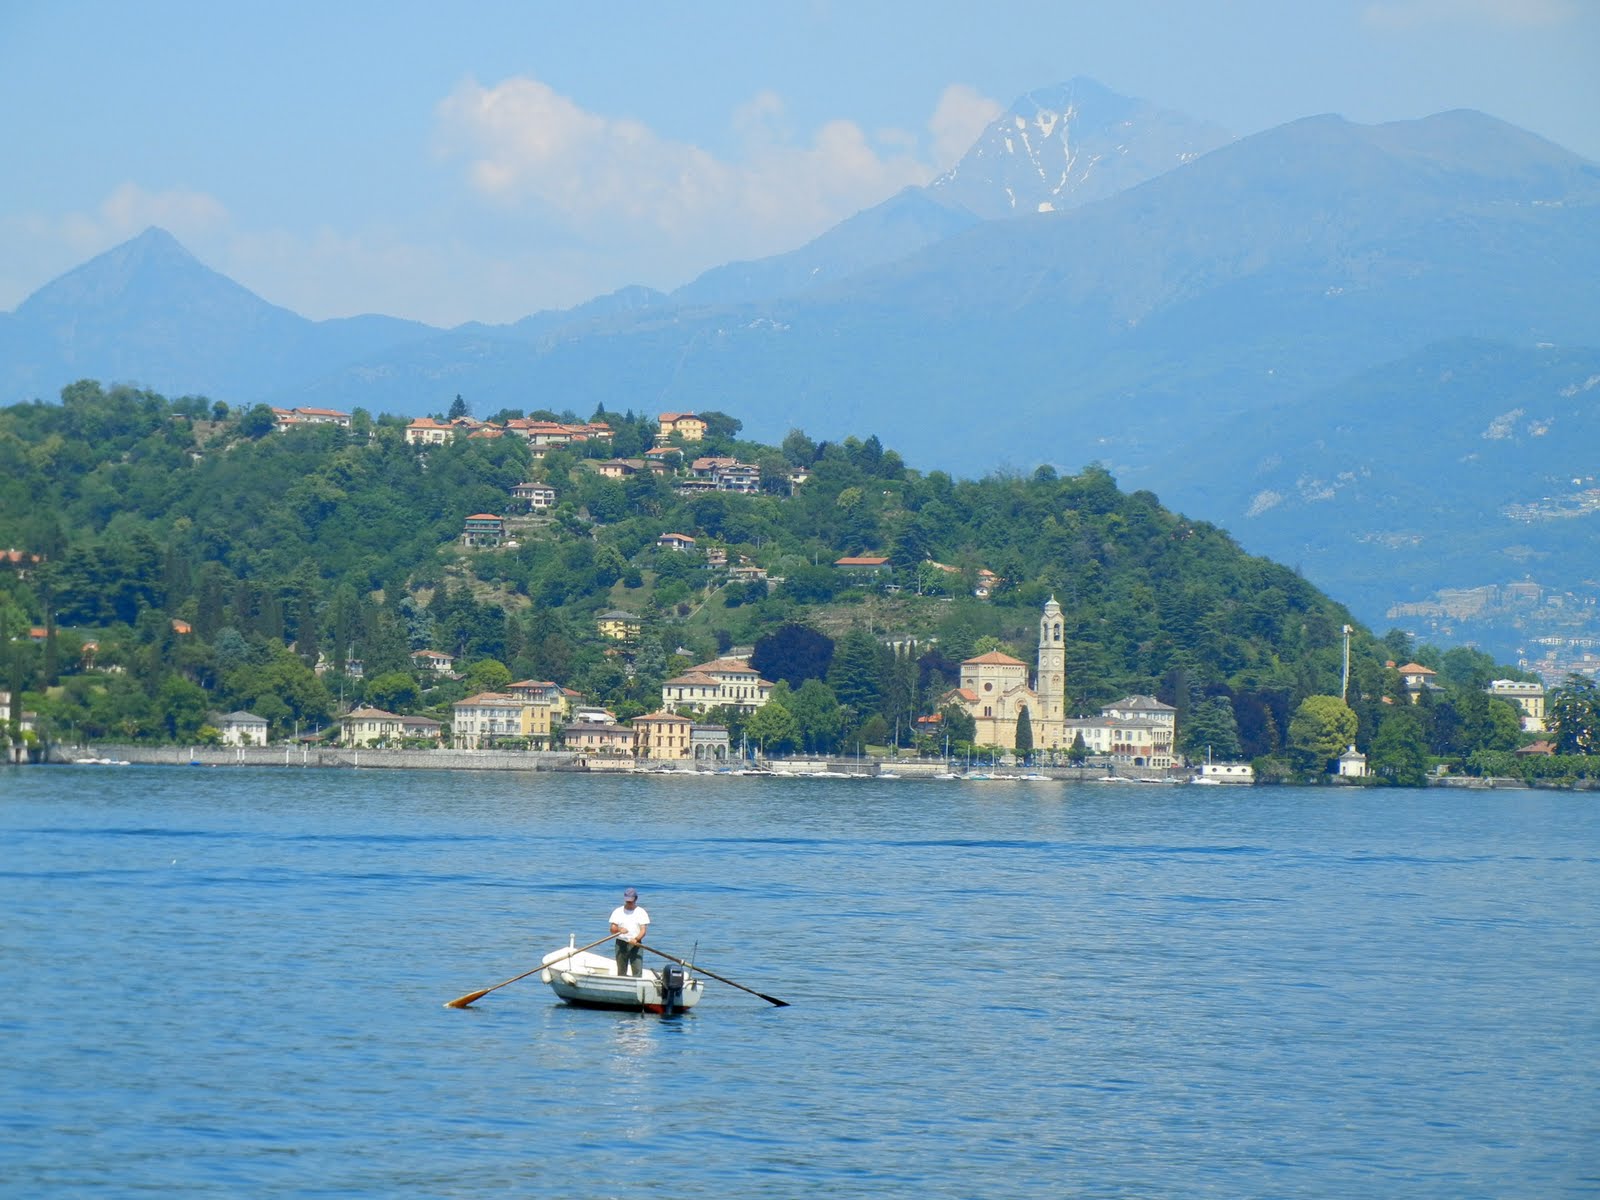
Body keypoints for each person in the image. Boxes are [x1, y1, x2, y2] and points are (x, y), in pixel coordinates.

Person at [609, 887, 649, 977]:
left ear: (636, 899)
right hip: (621, 943)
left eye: (631, 901)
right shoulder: (618, 911)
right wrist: (619, 929)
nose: (629, 903)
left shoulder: (641, 912)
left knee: (637, 971)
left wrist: (636, 939)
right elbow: (612, 929)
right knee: (621, 971)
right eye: (627, 901)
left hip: (636, 944)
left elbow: (643, 930)